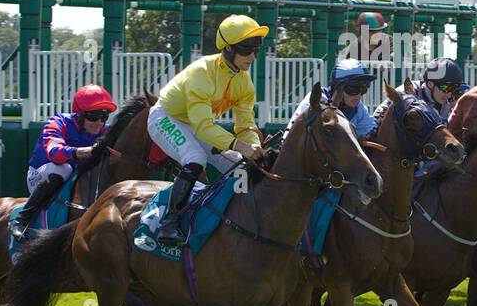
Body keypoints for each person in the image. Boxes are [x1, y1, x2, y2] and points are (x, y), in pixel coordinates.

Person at [148, 14, 266, 246]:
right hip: (166, 117)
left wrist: (254, 146)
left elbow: (245, 126)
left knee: (239, 165)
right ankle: (169, 223)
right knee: (195, 159)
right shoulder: (201, 73)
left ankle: (236, 219)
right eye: (246, 49)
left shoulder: (244, 82)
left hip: (195, 125)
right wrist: (240, 145)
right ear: (229, 49)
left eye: (256, 49)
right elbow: (204, 128)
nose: (252, 56)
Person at [10, 84, 117, 240]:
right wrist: (85, 152)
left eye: (104, 116)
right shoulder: (58, 122)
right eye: (93, 116)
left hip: (76, 179)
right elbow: (54, 153)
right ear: (79, 114)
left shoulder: (105, 131)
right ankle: (22, 219)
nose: (99, 122)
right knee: (63, 168)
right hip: (42, 174)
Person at [290, 57, 377, 138]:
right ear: (337, 88)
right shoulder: (318, 100)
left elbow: (370, 132)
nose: (358, 96)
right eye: (353, 89)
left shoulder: (358, 107)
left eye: (364, 89)